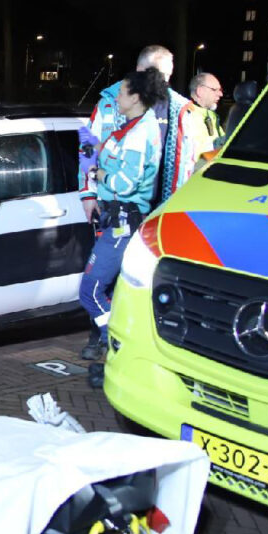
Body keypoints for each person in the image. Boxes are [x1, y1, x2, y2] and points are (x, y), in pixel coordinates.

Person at [77, 67, 166, 369]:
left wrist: (97, 173)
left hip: (123, 221)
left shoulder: (141, 133)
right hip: (115, 219)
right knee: (100, 289)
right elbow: (96, 149)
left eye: (122, 92)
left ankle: (116, 342)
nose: (117, 96)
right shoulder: (131, 126)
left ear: (136, 97)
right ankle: (113, 343)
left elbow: (124, 184)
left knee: (90, 290)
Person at [83, 45, 200, 218]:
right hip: (117, 208)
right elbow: (88, 147)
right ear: (139, 70)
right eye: (156, 73)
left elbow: (189, 163)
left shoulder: (181, 109)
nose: (161, 81)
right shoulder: (110, 102)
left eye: (166, 76)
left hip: (162, 212)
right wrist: (88, 193)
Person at [188, 70, 225, 152]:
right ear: (200, 91)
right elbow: (193, 153)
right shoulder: (186, 116)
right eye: (214, 89)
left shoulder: (211, 115)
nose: (220, 94)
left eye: (220, 90)